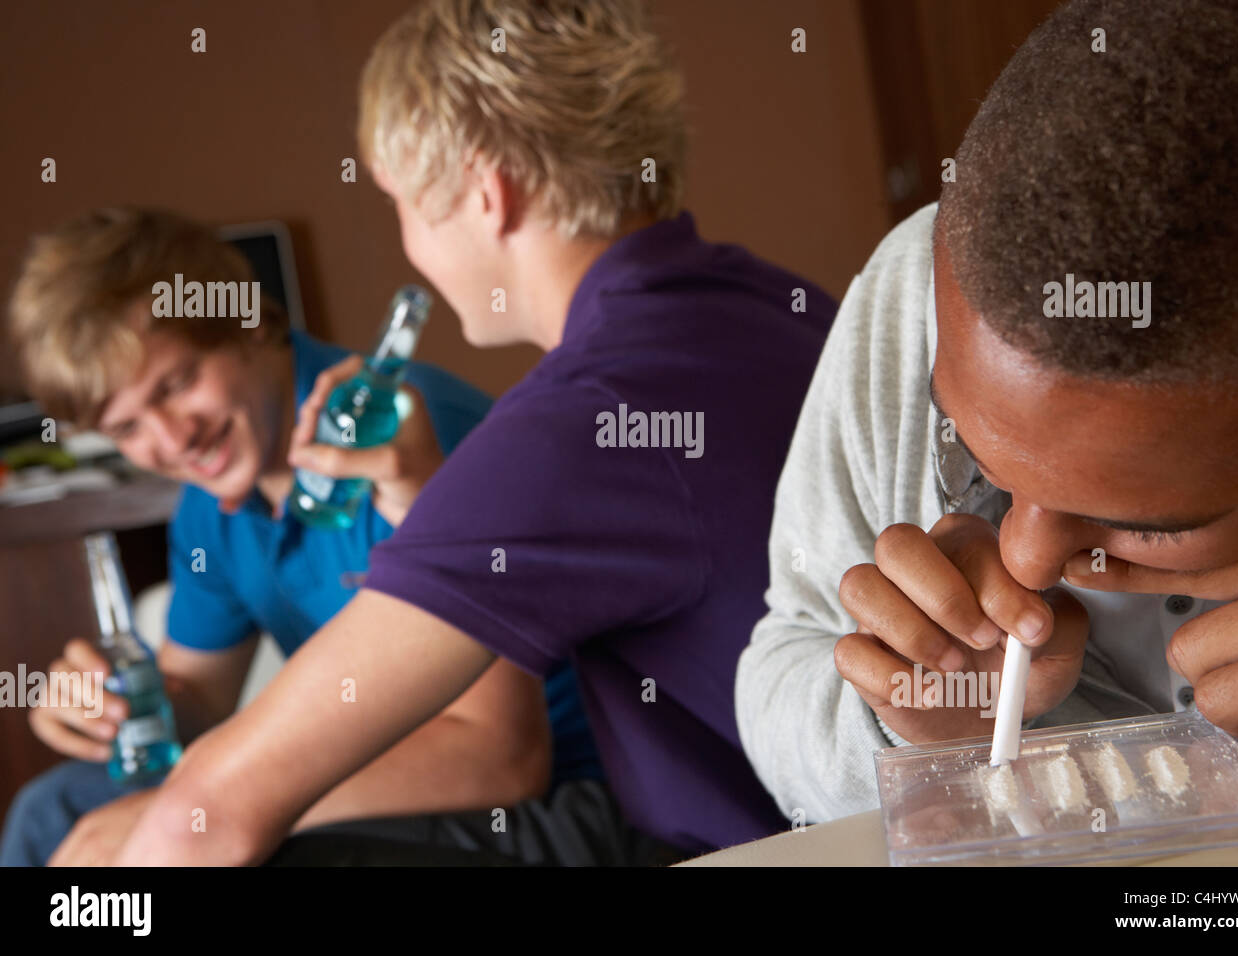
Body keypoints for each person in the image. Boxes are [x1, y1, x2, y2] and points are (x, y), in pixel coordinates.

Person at [107, 0, 837, 866]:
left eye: (402, 204)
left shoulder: (576, 423)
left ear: (488, 194)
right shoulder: (777, 305)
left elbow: (215, 809)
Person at [737, 0, 1238, 824]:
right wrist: (905, 732)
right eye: (966, 445)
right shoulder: (915, 294)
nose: (1028, 564)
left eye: (1155, 523)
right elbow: (781, 664)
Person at [2, 206, 600, 866]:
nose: (172, 440)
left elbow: (497, 758)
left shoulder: (410, 437)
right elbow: (198, 697)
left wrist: (210, 806)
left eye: (176, 384)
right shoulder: (215, 502)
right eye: (126, 429)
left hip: (557, 797)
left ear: (248, 321)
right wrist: (117, 701)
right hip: (400, 775)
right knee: (51, 811)